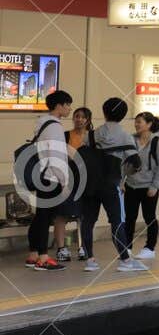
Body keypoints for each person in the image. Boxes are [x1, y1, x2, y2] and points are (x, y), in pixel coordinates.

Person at [82, 97, 137, 272]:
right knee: (117, 221)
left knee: (88, 221)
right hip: (111, 183)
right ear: (123, 115)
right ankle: (125, 260)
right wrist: (123, 179)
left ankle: (90, 260)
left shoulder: (92, 134)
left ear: (104, 112)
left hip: (90, 184)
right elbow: (135, 163)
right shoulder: (125, 136)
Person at [23, 90, 74, 271]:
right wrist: (63, 179)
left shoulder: (43, 123)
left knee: (40, 216)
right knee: (45, 217)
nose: (69, 108)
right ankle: (43, 258)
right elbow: (57, 155)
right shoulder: (54, 126)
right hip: (50, 176)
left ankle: (34, 254)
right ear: (59, 105)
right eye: (67, 104)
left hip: (42, 175)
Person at [122, 112, 159, 260]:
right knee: (129, 218)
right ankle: (127, 247)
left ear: (149, 124)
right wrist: (122, 181)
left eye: (139, 122)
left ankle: (150, 248)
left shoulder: (158, 143)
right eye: (136, 122)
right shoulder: (130, 139)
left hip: (149, 187)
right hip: (131, 185)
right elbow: (124, 162)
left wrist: (155, 186)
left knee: (149, 217)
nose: (136, 124)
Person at [56, 106, 93, 264]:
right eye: (77, 116)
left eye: (83, 117)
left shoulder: (93, 137)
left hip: (87, 180)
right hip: (67, 180)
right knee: (62, 214)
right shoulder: (65, 136)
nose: (79, 119)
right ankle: (61, 248)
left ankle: (83, 246)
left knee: (85, 215)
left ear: (88, 120)